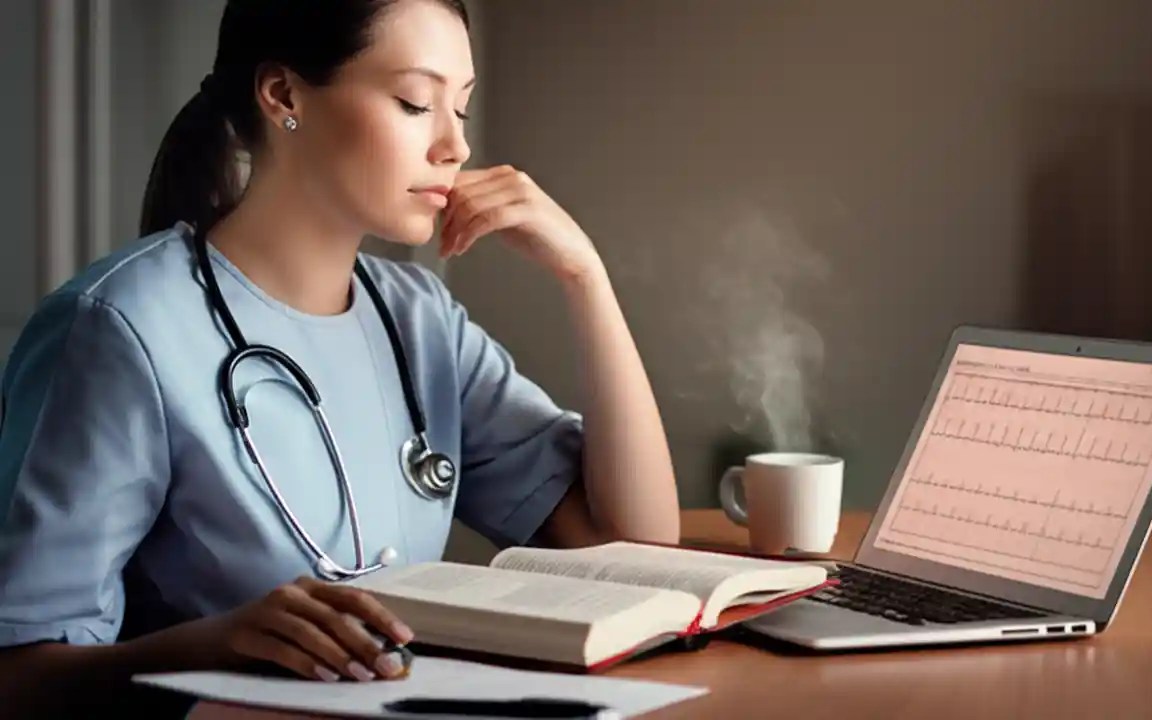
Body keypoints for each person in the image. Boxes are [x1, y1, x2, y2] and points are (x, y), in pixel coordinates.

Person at [0, 0, 680, 714]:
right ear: (284, 96)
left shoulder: (421, 321)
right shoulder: (118, 327)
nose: (456, 147)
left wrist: (585, 277)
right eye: (415, 102)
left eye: (463, 110)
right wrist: (212, 644)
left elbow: (632, 546)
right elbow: (17, 676)